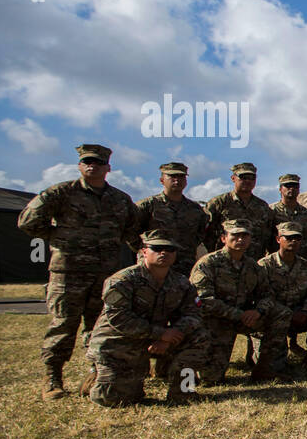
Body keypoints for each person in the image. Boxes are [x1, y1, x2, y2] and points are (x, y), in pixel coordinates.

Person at [17, 143, 140, 400]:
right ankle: (53, 378)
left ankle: (96, 374)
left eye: (98, 162)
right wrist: (59, 237)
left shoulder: (120, 199)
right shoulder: (61, 193)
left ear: (108, 168)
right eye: (87, 161)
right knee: (63, 325)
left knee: (101, 326)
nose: (92, 166)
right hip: (68, 272)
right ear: (79, 165)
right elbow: (28, 221)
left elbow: (132, 230)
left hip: (105, 274)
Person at [81, 231, 210, 407]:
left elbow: (194, 314)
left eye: (169, 249)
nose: (163, 253)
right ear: (144, 251)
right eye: (157, 248)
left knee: (199, 336)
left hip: (157, 338)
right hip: (119, 341)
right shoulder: (122, 280)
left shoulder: (181, 283)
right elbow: (119, 319)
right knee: (115, 400)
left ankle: (183, 391)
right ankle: (97, 376)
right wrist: (160, 334)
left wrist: (171, 336)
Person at [190, 220, 292, 383]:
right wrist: (239, 314)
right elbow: (204, 301)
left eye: (245, 236)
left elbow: (267, 295)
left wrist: (258, 311)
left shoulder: (252, 266)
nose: (240, 239)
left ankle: (265, 368)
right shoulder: (208, 264)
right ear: (224, 238)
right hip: (216, 321)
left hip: (244, 318)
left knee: (282, 313)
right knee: (211, 379)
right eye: (235, 235)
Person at [258, 223, 307, 374]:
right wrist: (282, 311)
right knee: (268, 365)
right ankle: (275, 363)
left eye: (297, 238)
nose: (293, 241)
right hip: (272, 315)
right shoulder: (264, 265)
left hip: (300, 313)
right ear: (278, 239)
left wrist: (306, 310)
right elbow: (260, 294)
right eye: (289, 237)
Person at [135, 161, 210, 276]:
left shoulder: (195, 209)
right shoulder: (148, 205)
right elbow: (131, 231)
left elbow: (200, 234)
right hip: (154, 263)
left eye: (181, 177)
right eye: (172, 176)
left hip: (184, 264)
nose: (177, 180)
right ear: (162, 180)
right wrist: (146, 249)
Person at [204, 163, 273, 259]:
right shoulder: (219, 203)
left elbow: (268, 236)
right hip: (224, 261)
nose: (248, 181)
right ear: (233, 178)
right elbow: (205, 232)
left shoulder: (262, 206)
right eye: (243, 177)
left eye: (252, 178)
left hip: (254, 261)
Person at [270, 174, 307, 259]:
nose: (292, 189)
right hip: (278, 261)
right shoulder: (271, 211)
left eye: (295, 186)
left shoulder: (306, 213)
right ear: (280, 189)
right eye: (288, 186)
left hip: (302, 261)